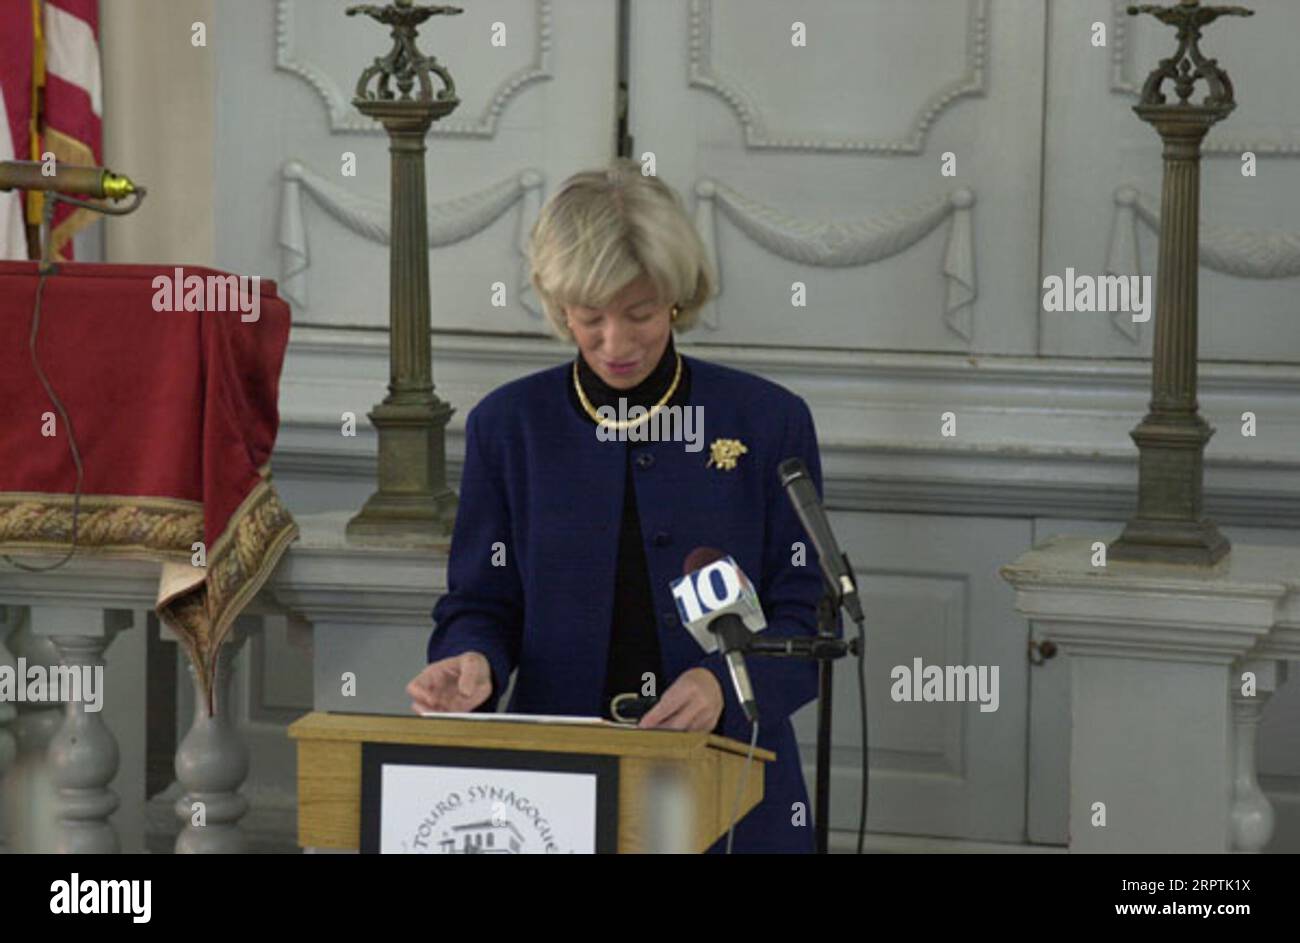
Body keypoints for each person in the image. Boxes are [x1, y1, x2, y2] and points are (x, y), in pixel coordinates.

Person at [406, 158, 828, 853]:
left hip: (733, 787)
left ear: (678, 297)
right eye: (589, 317)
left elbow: (809, 610)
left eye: (639, 313)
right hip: (553, 790)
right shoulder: (508, 427)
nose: (616, 344)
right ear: (557, 304)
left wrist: (724, 682)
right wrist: (473, 659)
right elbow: (481, 601)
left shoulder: (766, 419)